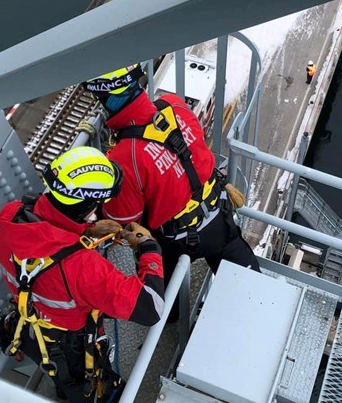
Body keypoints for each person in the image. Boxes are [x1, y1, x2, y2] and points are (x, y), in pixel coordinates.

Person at [0, 145, 164, 403]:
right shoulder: (84, 267)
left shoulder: (9, 216)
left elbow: (46, 234)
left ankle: (63, 390)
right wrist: (149, 248)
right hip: (73, 349)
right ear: (88, 205)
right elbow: (151, 308)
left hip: (29, 330)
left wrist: (86, 229)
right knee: (89, 394)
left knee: (59, 376)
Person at [82, 65, 260, 286]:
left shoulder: (125, 157)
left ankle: (170, 307)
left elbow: (121, 219)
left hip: (173, 242)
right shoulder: (173, 104)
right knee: (248, 285)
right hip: (218, 215)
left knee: (162, 294)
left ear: (104, 98)